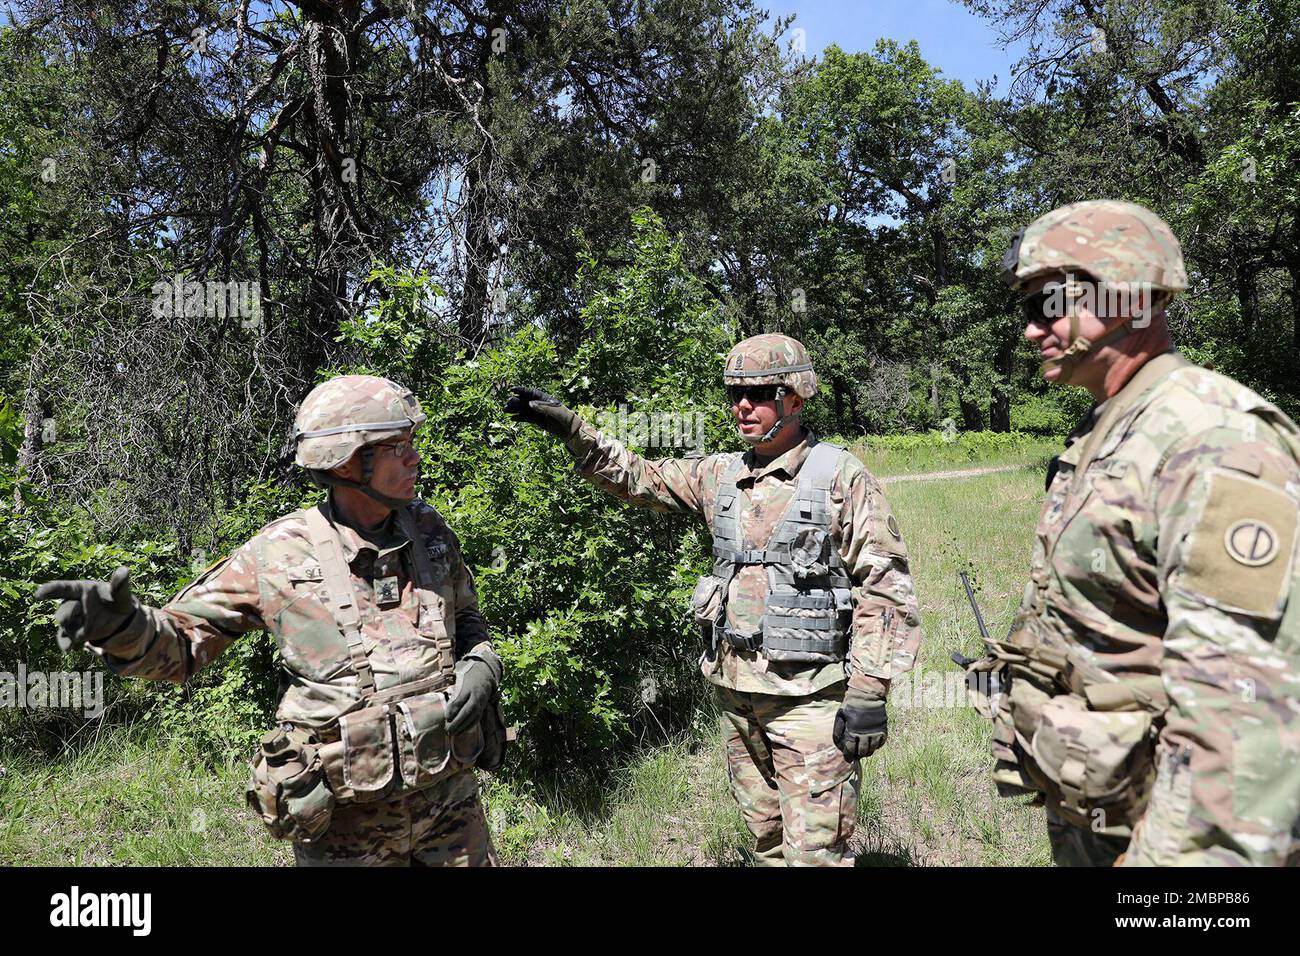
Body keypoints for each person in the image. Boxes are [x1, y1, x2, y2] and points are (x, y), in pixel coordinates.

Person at [36, 374, 506, 866]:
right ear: (349, 461)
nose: (414, 458)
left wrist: (481, 662)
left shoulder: (428, 529)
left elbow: (467, 616)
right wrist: (121, 626)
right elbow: (180, 646)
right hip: (346, 831)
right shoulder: (280, 554)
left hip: (452, 809)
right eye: (398, 446)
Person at [505, 333, 923, 865]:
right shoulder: (721, 475)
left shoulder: (839, 476)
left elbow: (884, 584)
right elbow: (639, 477)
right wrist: (572, 430)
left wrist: (868, 690)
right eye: (735, 394)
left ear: (794, 397)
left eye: (760, 393)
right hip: (737, 695)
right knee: (767, 840)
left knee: (816, 854)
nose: (742, 406)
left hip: (811, 700)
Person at [972, 199, 1300, 865]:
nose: (1031, 331)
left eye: (1047, 306)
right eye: (1025, 310)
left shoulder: (1213, 441)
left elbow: (1245, 723)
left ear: (1127, 296)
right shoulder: (1109, 428)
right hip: (1104, 818)